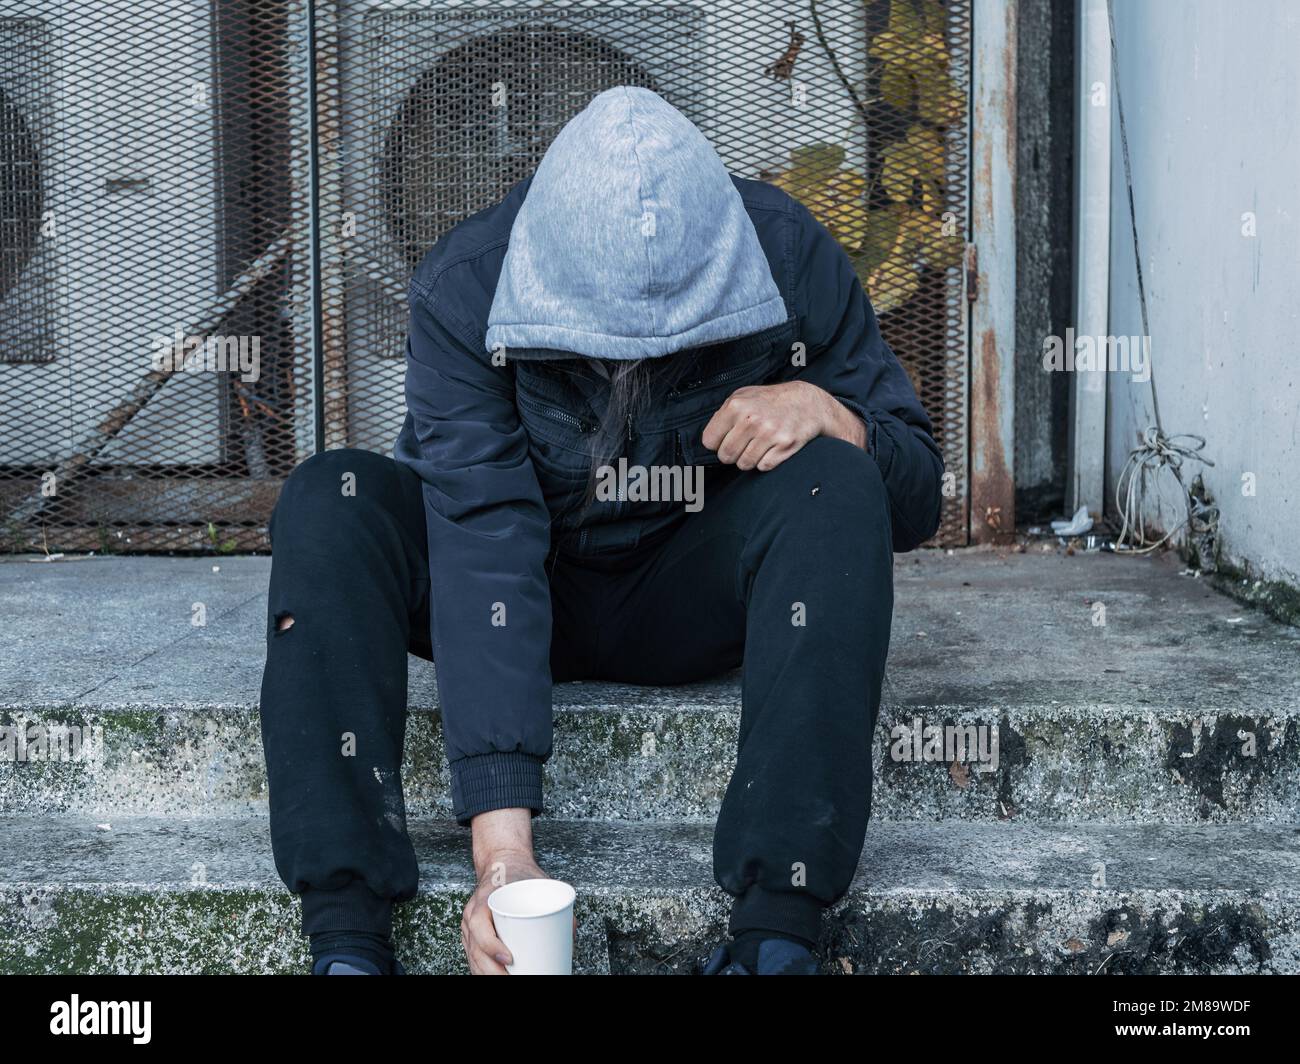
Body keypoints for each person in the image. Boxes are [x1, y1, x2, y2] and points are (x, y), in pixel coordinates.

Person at [258, 86, 942, 976]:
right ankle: (346, 941)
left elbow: (916, 493)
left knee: (837, 475)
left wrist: (832, 414)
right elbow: (482, 534)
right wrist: (502, 856)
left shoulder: (789, 252)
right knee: (328, 493)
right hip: (514, 589)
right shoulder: (465, 285)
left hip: (685, 592)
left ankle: (777, 936)